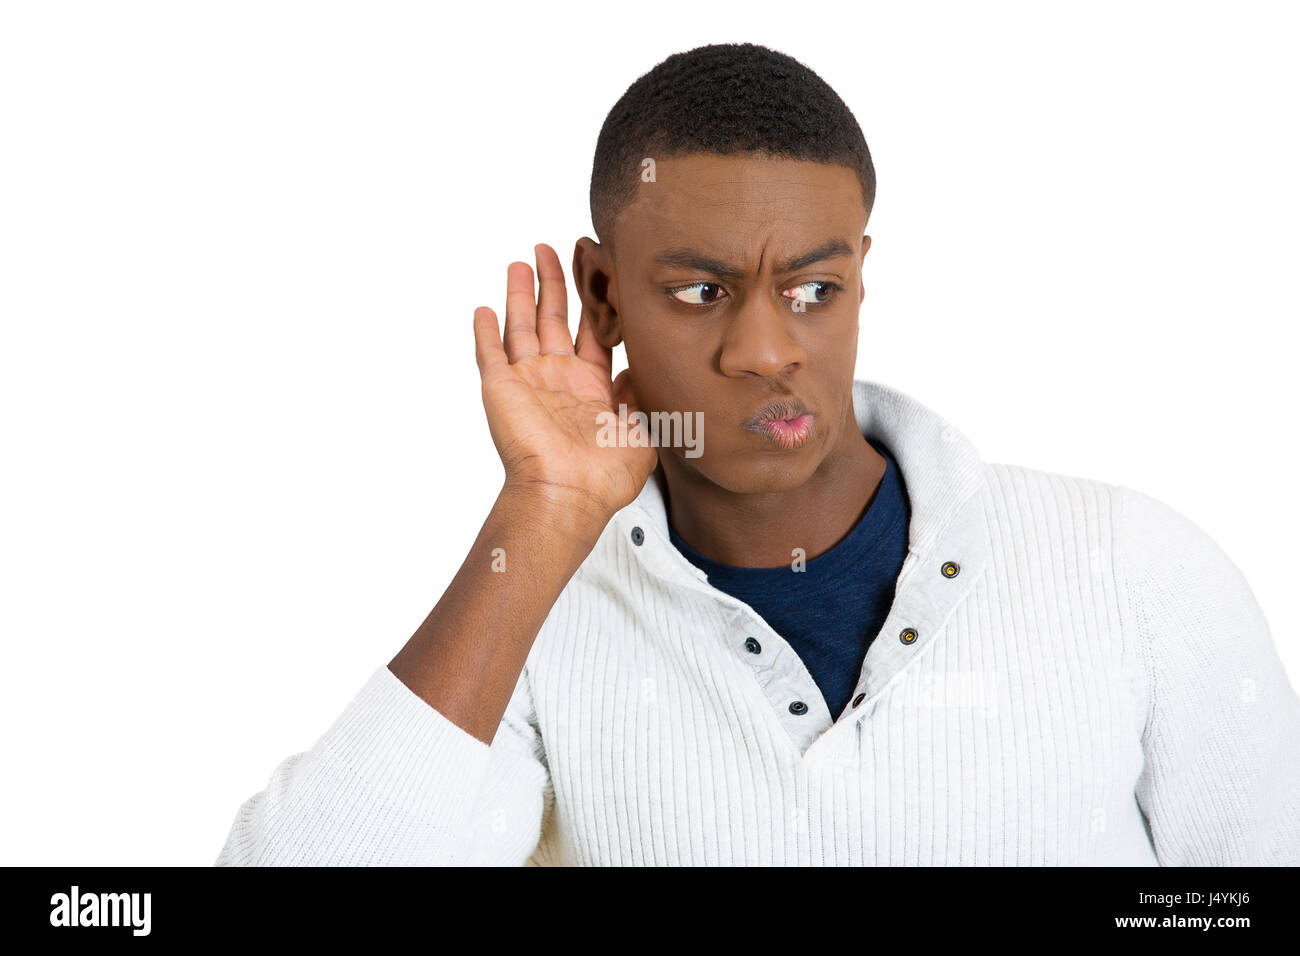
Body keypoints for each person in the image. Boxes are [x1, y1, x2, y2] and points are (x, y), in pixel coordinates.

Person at [215, 42, 1300, 866]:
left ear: (861, 277)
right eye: (700, 292)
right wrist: (543, 510)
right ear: (604, 293)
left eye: (812, 290)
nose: (765, 351)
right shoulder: (541, 623)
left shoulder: (1131, 568)